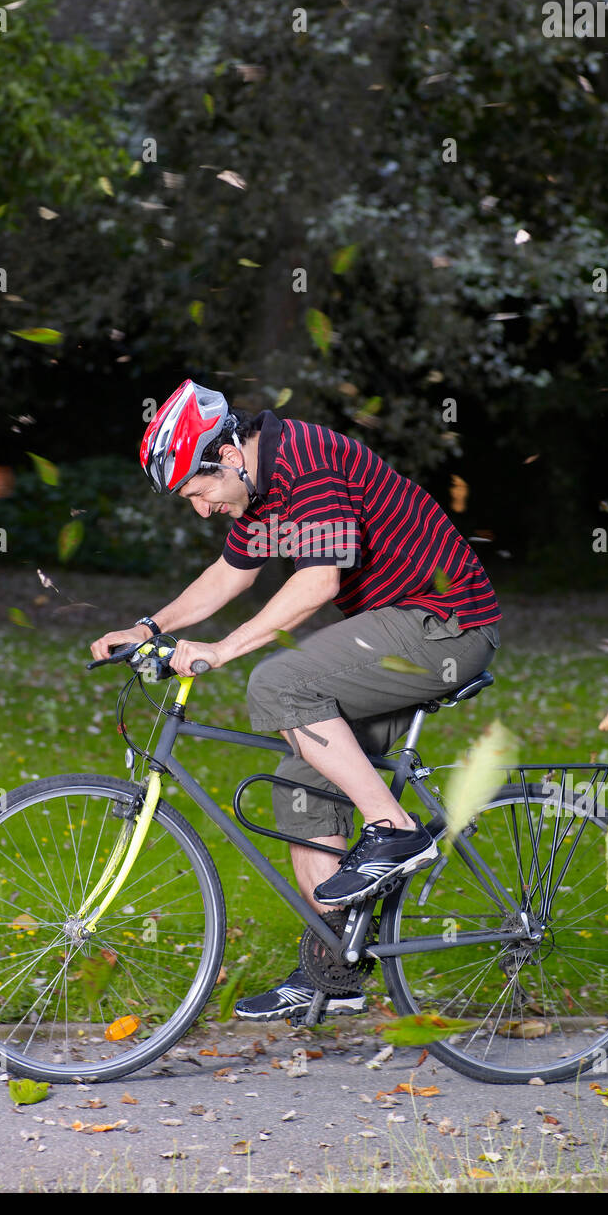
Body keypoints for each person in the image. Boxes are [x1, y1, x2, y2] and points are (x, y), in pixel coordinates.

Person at [90, 378, 501, 1022]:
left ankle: (394, 830)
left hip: (444, 624)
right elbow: (230, 574)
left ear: (227, 456)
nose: (201, 510)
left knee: (278, 682)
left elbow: (318, 582)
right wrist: (150, 628)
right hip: (400, 628)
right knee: (303, 785)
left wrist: (222, 649)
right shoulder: (260, 488)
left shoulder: (307, 460)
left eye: (197, 493)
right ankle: (332, 970)